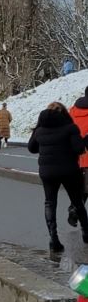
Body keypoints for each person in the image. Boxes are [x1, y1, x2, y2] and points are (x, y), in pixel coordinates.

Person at [27, 102, 88, 251]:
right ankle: (86, 232)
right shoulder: (70, 128)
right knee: (77, 202)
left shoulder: (40, 130)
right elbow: (79, 149)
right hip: (69, 170)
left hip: (47, 172)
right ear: (64, 113)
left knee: (49, 203)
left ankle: (53, 239)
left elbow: (32, 148)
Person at [67, 87, 88, 227]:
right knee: (85, 188)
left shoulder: (72, 111)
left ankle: (74, 208)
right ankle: (74, 210)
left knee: (80, 187)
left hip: (74, 156)